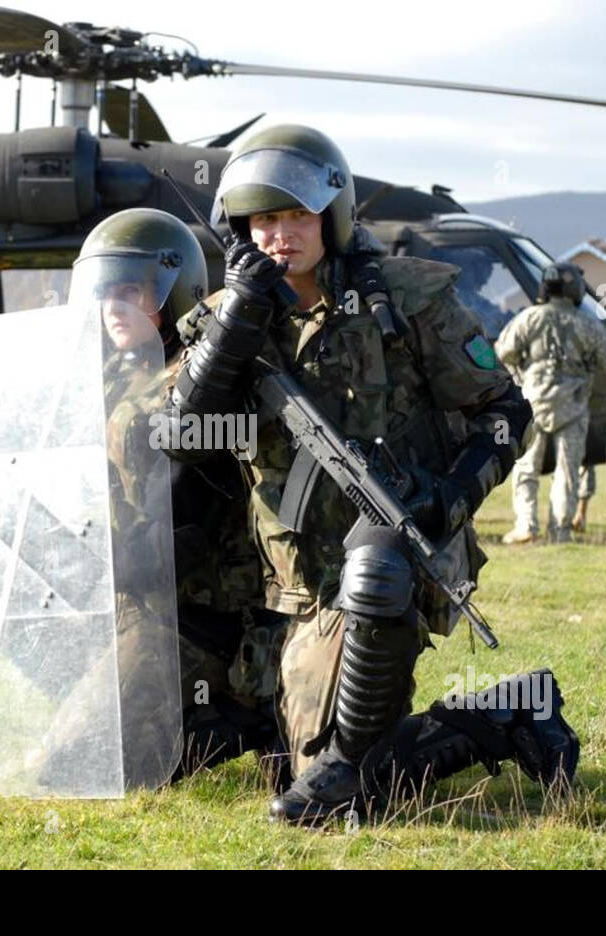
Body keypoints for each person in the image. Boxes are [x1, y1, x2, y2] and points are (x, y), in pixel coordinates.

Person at [164, 124, 579, 825]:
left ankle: (342, 752)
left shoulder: (407, 300)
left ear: (332, 216)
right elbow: (177, 434)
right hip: (269, 586)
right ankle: (506, 711)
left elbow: (504, 411)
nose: (281, 235)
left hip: (378, 577)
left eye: (297, 215)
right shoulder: (222, 318)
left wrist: (448, 497)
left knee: (335, 777)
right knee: (213, 749)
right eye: (264, 218)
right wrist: (239, 319)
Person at [0, 208, 287, 784]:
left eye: (135, 290)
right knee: (65, 733)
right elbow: (37, 439)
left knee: (72, 768)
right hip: (115, 600)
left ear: (176, 293)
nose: (115, 306)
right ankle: (147, 706)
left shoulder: (206, 377)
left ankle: (232, 713)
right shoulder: (101, 376)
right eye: (106, 292)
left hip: (189, 617)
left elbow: (177, 429)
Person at [495, 263, 606, 544]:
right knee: (567, 471)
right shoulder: (587, 323)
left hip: (534, 401)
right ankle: (560, 530)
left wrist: (522, 372)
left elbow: (503, 351)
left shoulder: (529, 318)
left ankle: (526, 525)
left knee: (527, 466)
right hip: (573, 406)